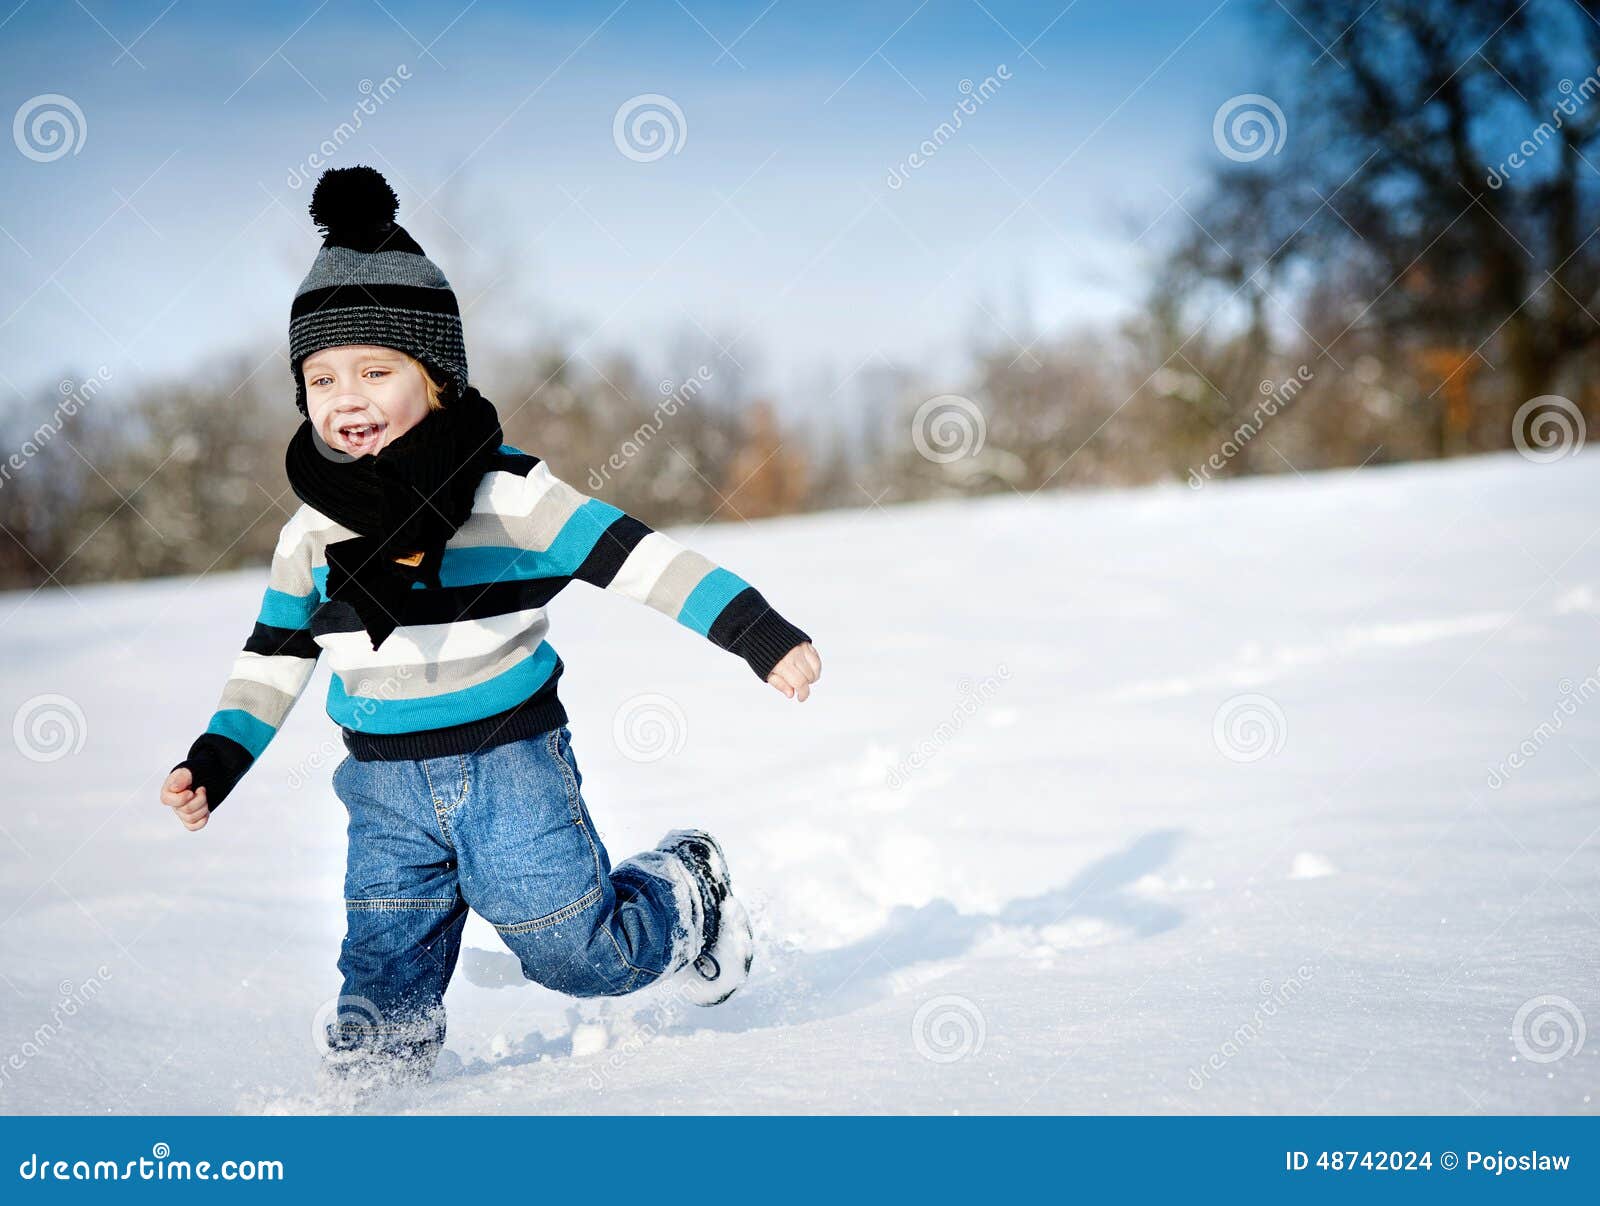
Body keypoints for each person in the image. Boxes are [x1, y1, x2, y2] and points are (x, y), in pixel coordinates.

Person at [157, 165, 821, 1084]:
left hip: (511, 764)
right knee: (382, 978)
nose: (345, 396)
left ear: (436, 379)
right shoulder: (313, 530)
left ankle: (686, 886)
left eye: (375, 371)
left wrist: (756, 631)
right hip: (381, 786)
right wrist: (217, 758)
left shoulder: (508, 496)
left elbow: (638, 557)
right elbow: (273, 655)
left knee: (582, 956)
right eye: (321, 377)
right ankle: (376, 1099)